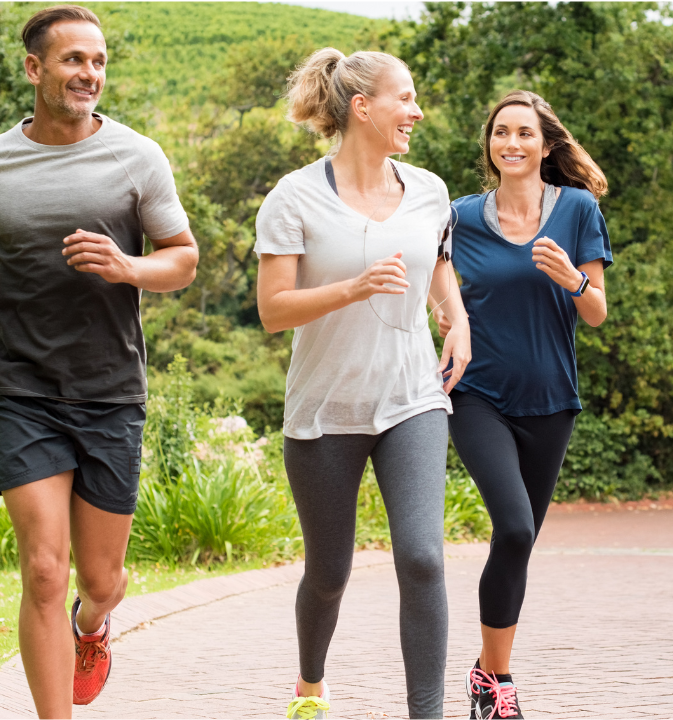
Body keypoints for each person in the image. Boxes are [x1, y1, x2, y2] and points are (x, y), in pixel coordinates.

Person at [0, 5, 198, 718]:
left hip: (111, 388)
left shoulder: (136, 156)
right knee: (45, 571)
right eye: (74, 60)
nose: (90, 73)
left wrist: (125, 267)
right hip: (22, 385)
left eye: (99, 61)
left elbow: (183, 259)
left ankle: (95, 624)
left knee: (101, 579)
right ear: (35, 69)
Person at [254, 47, 471, 720]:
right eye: (405, 98)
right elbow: (272, 309)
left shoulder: (430, 190)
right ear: (363, 107)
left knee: (423, 558)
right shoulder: (295, 197)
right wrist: (350, 286)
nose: (416, 110)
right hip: (324, 411)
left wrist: (456, 318)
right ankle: (311, 687)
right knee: (328, 574)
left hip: (411, 398)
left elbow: (436, 260)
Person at [439, 90, 611, 720]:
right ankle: (502, 681)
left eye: (524, 133)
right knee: (512, 525)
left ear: (545, 144)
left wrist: (573, 278)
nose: (511, 143)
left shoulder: (579, 211)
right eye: (500, 133)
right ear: (490, 145)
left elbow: (596, 312)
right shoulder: (460, 216)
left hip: (550, 401)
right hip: (477, 393)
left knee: (520, 541)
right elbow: (437, 287)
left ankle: (483, 673)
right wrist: (449, 321)